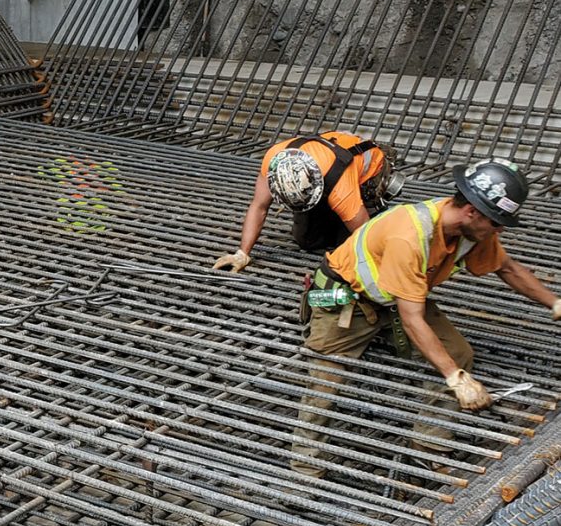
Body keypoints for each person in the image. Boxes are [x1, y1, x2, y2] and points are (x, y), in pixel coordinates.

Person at [290, 158, 561, 477]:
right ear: (472, 211)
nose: (500, 229)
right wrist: (455, 378)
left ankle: (429, 444)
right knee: (327, 378)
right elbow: (413, 321)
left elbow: (507, 268)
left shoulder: (472, 231)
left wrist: (554, 302)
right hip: (349, 299)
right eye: (497, 222)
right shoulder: (410, 235)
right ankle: (306, 468)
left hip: (398, 297)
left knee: (458, 353)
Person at [213, 131, 404, 272]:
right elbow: (259, 207)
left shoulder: (339, 183)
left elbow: (365, 233)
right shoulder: (273, 162)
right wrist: (242, 254)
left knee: (350, 245)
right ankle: (334, 217)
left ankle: (382, 215)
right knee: (307, 241)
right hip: (326, 169)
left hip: (369, 171)